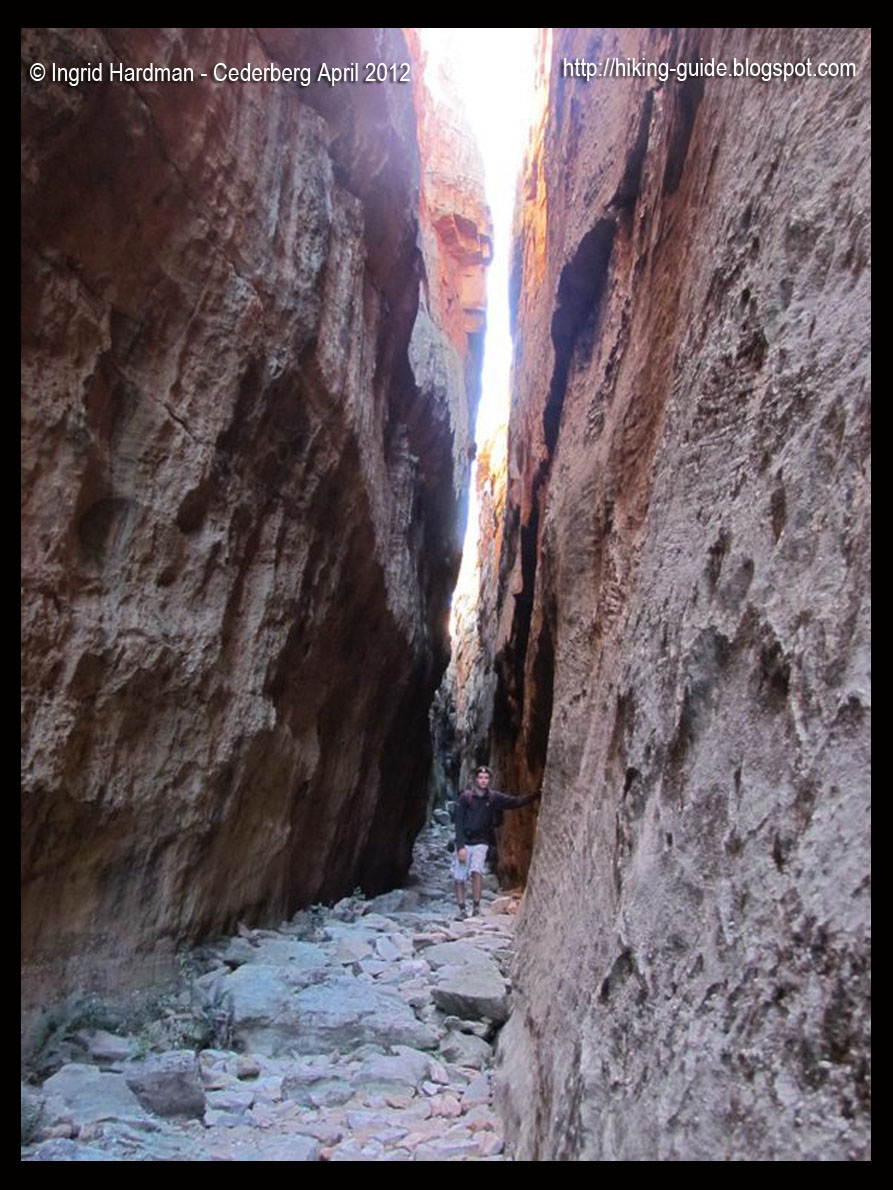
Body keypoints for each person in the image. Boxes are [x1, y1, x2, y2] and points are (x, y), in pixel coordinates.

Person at [452, 765, 541, 919]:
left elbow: (515, 802)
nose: (483, 781)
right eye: (480, 778)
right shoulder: (465, 798)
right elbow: (458, 823)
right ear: (475, 779)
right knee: (459, 876)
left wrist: (537, 794)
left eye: (486, 778)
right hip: (465, 841)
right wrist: (460, 847)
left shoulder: (494, 798)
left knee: (476, 871)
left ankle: (476, 907)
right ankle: (461, 908)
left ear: (490, 780)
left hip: (482, 842)